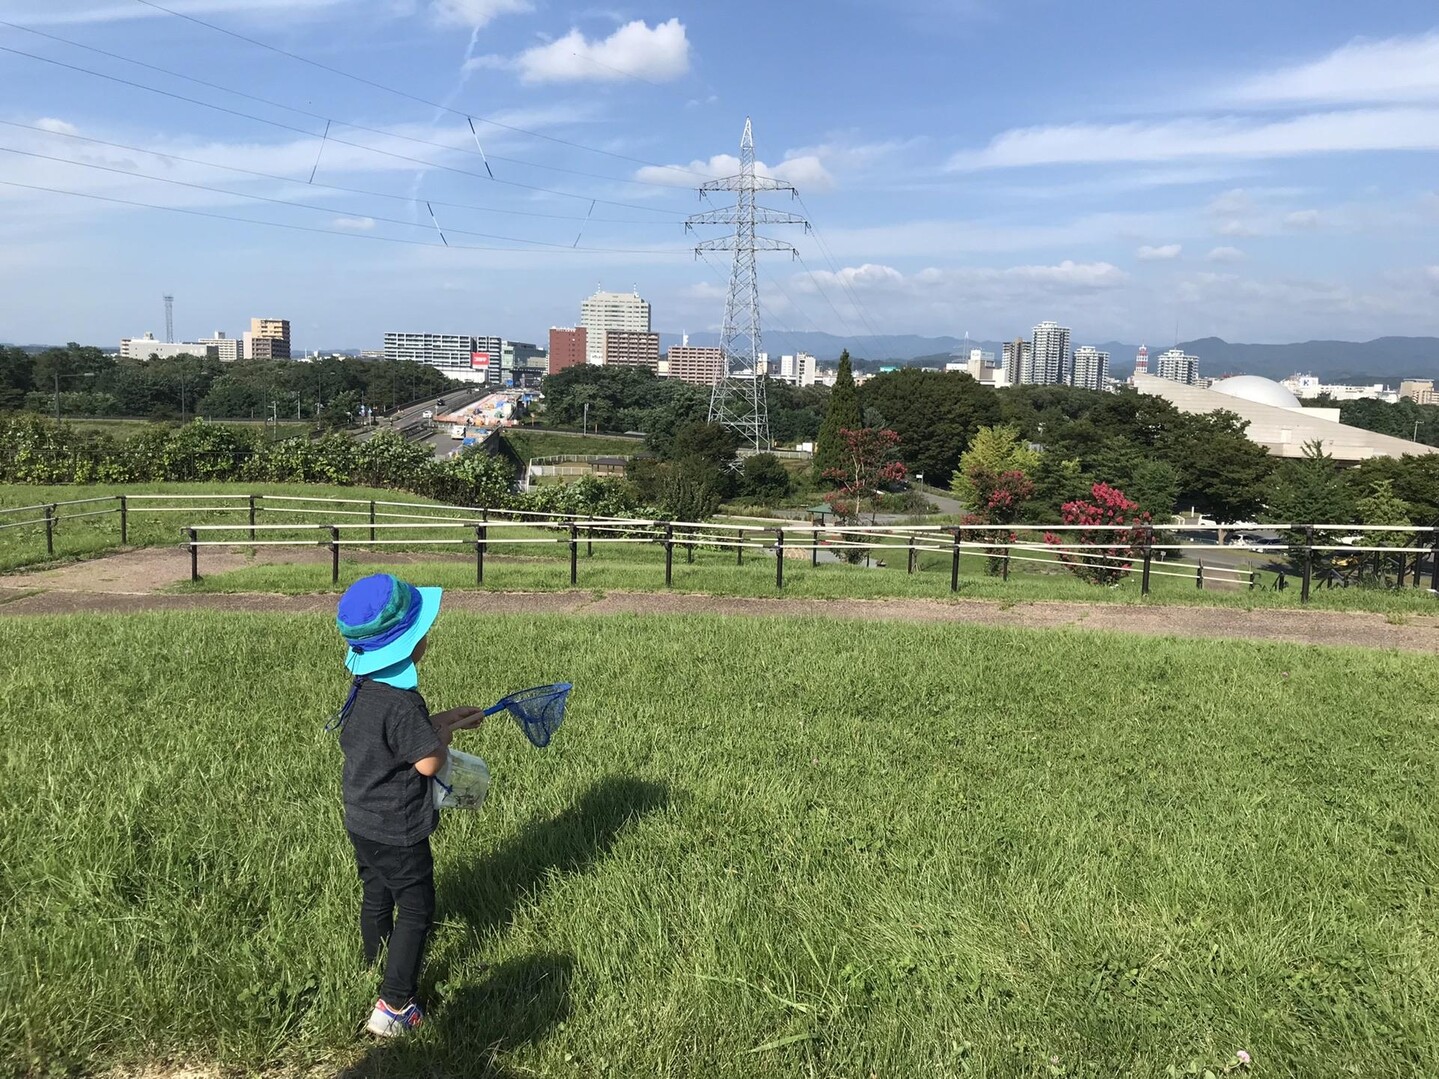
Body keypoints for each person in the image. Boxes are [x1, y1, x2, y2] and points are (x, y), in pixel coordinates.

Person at [331, 573, 485, 1038]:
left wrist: (439, 718)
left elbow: (394, 739)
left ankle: (373, 958)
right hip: (399, 828)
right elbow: (428, 762)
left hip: (362, 820)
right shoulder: (402, 702)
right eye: (423, 631)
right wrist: (444, 735)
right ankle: (395, 1005)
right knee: (416, 907)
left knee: (376, 891)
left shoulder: (364, 691)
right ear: (408, 643)